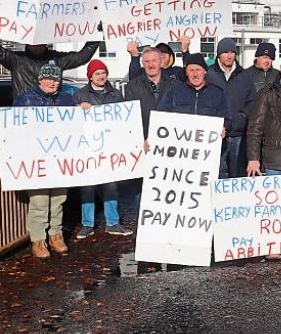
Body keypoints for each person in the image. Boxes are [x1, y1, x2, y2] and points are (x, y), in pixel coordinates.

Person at [13, 63, 75, 258]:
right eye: (48, 78)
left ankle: (55, 235)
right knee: (39, 201)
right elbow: (13, 128)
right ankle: (38, 240)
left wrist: (83, 110)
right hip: (36, 160)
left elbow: (76, 126)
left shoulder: (67, 99)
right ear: (40, 80)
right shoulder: (25, 99)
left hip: (59, 159)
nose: (52, 82)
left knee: (58, 199)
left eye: (56, 79)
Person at [73, 61, 133, 239]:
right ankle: (87, 224)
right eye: (97, 73)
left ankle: (113, 223)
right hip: (87, 149)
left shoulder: (115, 94)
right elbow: (70, 122)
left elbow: (123, 119)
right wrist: (77, 110)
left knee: (111, 186)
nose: (101, 76)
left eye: (103, 73)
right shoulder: (79, 95)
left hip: (110, 148)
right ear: (90, 76)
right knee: (87, 187)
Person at [123, 47, 178, 218]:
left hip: (169, 144)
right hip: (144, 144)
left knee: (167, 184)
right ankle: (143, 223)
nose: (151, 65)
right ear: (142, 64)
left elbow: (183, 113)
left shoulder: (175, 84)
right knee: (142, 187)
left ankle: (166, 219)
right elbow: (129, 116)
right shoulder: (133, 86)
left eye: (154, 61)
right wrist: (140, 139)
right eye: (146, 62)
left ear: (162, 62)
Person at [206, 38, 254, 178]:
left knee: (237, 175)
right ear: (218, 54)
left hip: (238, 134)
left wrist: (242, 117)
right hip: (215, 134)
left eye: (232, 52)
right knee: (217, 173)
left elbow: (252, 101)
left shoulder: (245, 75)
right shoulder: (209, 74)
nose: (229, 55)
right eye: (225, 52)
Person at [0, 42, 101, 98]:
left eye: (41, 43)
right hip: (25, 113)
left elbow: (81, 57)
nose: (38, 46)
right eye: (34, 43)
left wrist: (96, 36)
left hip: (52, 113)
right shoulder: (16, 59)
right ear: (27, 43)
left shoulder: (56, 58)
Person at [158, 53, 231, 131]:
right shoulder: (175, 92)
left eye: (198, 70)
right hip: (181, 140)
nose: (195, 74)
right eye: (191, 70)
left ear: (205, 71)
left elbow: (227, 119)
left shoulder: (217, 93)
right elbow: (161, 116)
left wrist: (224, 127)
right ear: (186, 73)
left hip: (206, 141)